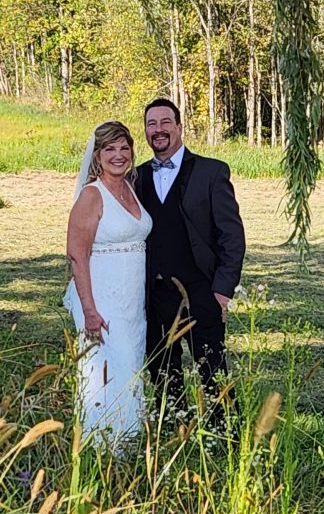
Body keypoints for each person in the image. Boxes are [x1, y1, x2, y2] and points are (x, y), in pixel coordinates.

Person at [136, 97, 245, 421]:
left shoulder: (211, 172)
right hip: (154, 295)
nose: (159, 130)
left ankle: (224, 432)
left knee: (212, 367)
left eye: (165, 122)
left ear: (180, 127)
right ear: (145, 130)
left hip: (201, 290)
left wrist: (222, 290)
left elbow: (232, 236)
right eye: (151, 124)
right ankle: (174, 428)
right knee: (162, 370)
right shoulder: (136, 177)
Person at [64, 120, 152, 441]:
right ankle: (101, 444)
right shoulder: (92, 195)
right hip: (101, 300)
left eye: (124, 147)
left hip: (131, 302)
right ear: (97, 155)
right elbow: (77, 254)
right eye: (110, 149)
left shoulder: (129, 187)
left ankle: (128, 443)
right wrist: (89, 310)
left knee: (129, 366)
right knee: (103, 371)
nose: (118, 155)